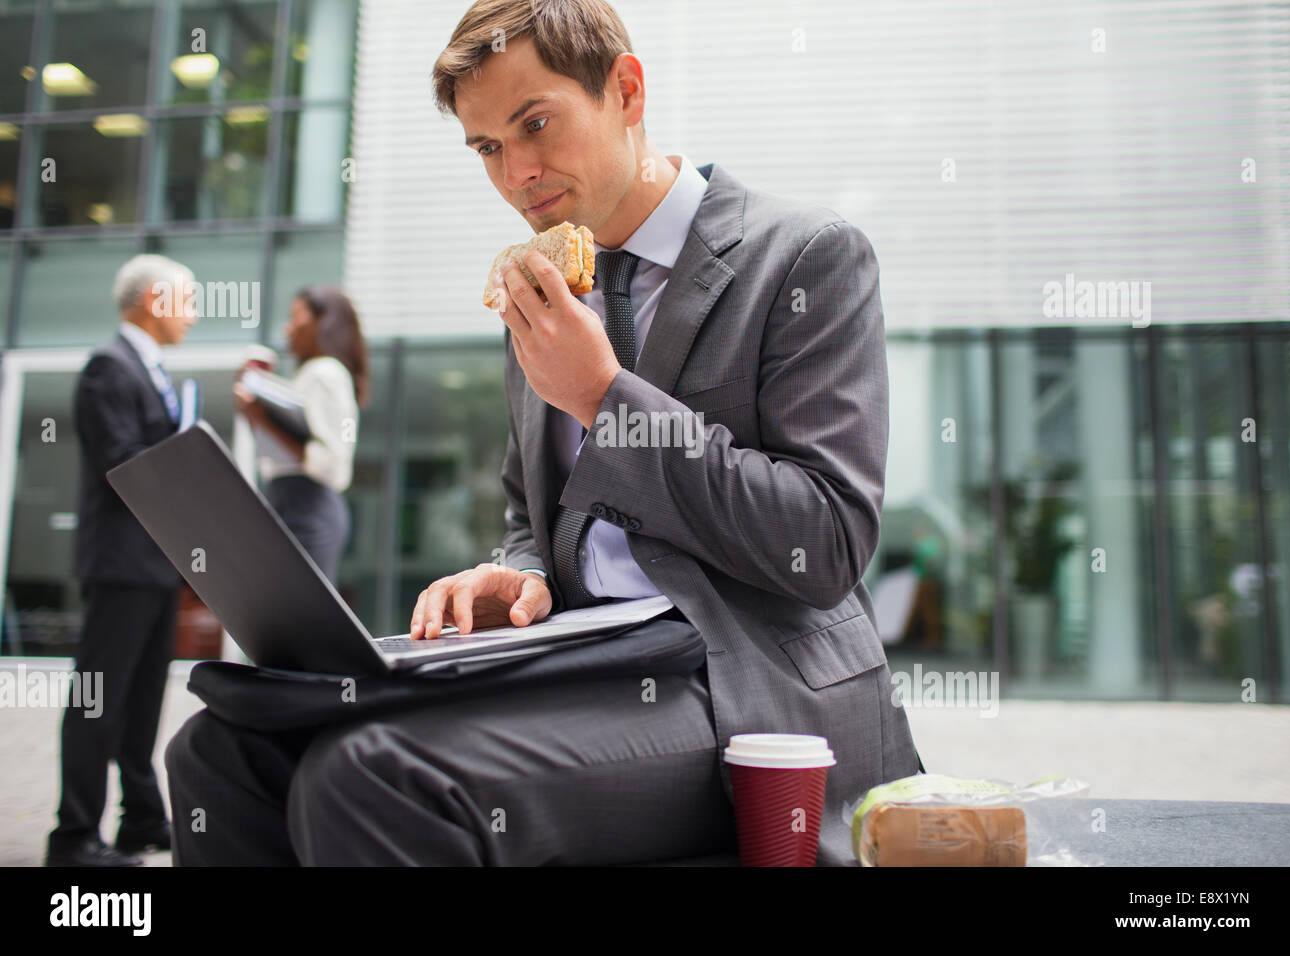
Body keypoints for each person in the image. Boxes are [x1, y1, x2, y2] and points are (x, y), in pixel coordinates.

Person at [164, 0, 921, 866]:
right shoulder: (537, 292)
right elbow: (535, 519)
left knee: (372, 773)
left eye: (535, 123)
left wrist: (603, 396)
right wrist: (518, 576)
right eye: (488, 147)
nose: (517, 171)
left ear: (625, 90)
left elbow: (824, 544)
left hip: (744, 681)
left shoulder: (804, 256)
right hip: (581, 660)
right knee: (221, 752)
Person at [46, 254, 198, 867]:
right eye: (186, 299)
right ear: (153, 300)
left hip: (154, 563)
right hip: (121, 563)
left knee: (140, 702)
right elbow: (123, 461)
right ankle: (74, 836)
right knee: (97, 699)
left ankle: (139, 819)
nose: (191, 313)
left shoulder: (151, 369)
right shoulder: (109, 368)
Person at [233, 286, 367, 585]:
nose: (288, 327)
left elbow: (332, 461)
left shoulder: (326, 372)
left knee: (300, 617)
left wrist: (261, 417)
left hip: (308, 504)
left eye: (296, 317)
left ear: (323, 322)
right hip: (290, 501)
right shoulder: (311, 374)